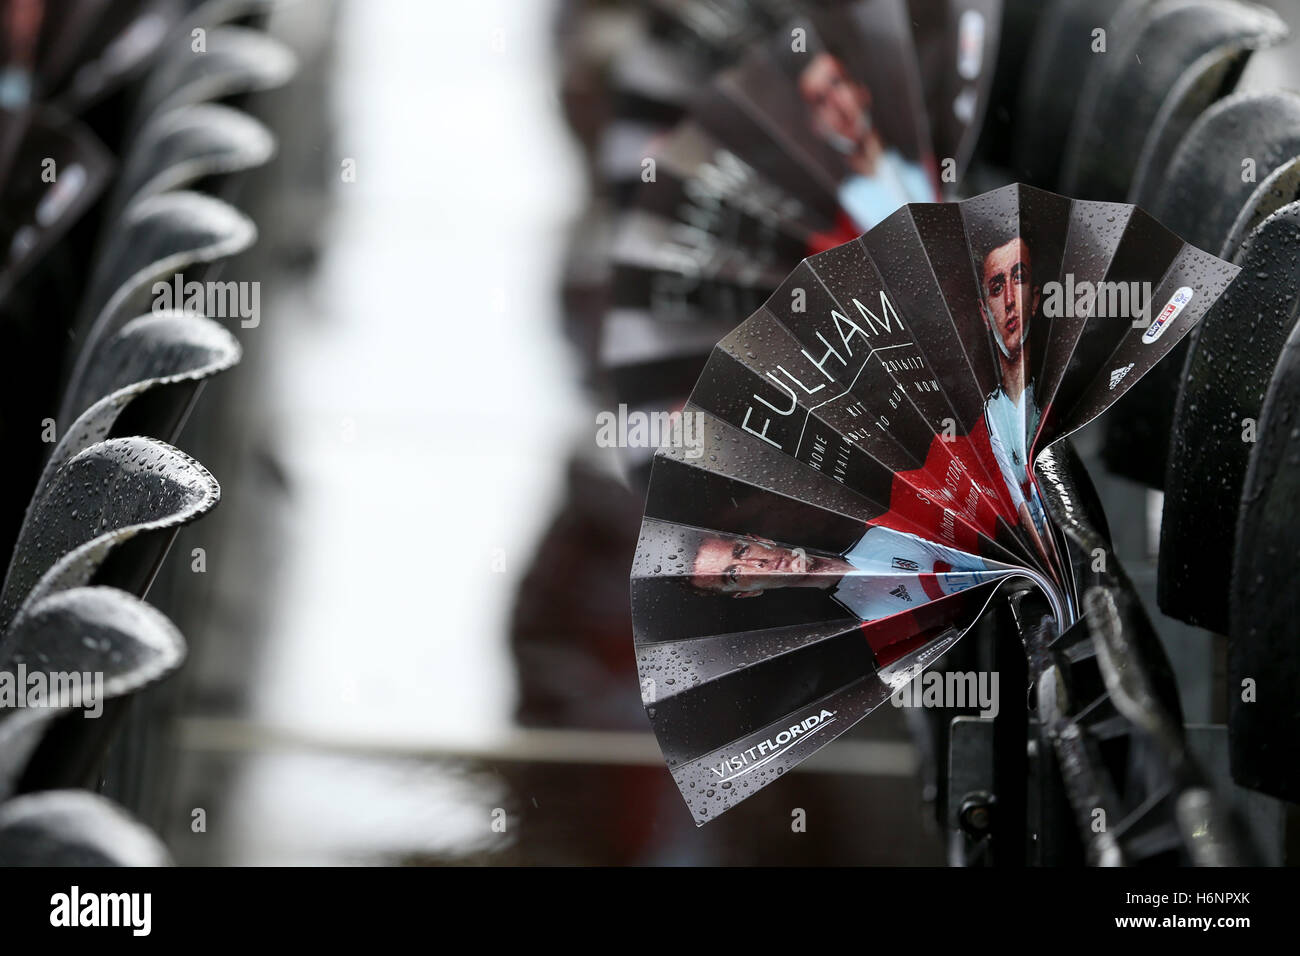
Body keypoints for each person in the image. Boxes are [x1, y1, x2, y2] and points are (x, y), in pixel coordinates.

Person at [688, 526, 998, 623]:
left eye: (742, 551)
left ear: (761, 541)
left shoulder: (882, 527)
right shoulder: (868, 619)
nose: (756, 564)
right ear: (748, 593)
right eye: (733, 575)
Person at [797, 51, 936, 232]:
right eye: (820, 100)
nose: (835, 102)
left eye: (836, 82)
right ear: (816, 126)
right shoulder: (844, 213)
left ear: (861, 90)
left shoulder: (929, 160)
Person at [978, 237, 1052, 562]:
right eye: (997, 288)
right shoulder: (990, 416)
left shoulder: (1053, 395)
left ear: (1034, 299)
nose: (1009, 299)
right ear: (984, 313)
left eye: (1018, 278)